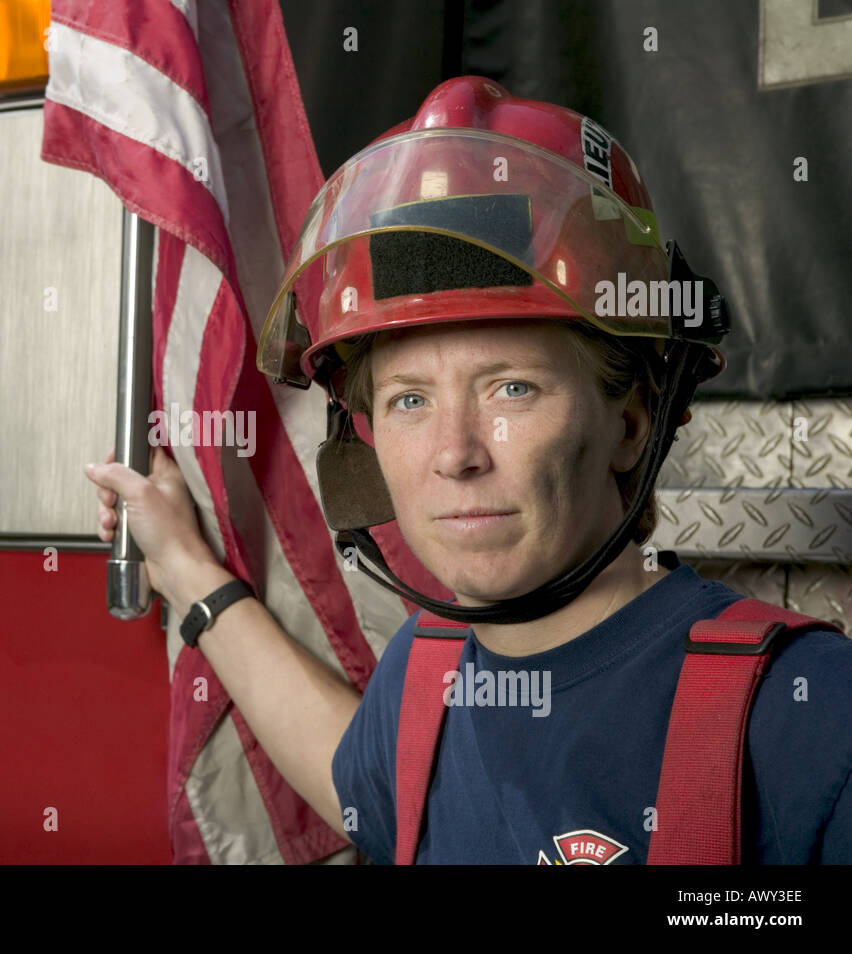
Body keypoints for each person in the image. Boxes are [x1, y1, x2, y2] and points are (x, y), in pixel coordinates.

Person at [83, 76, 852, 864]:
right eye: (410, 400)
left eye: (510, 387)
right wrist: (185, 568)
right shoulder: (425, 679)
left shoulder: (807, 713)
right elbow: (354, 785)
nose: (455, 454)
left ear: (630, 424)